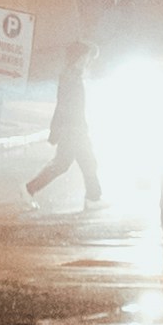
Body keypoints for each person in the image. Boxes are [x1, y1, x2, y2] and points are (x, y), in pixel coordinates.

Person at [24, 39, 103, 207]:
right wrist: (57, 130)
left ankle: (93, 197)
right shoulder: (70, 78)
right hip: (73, 129)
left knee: (78, 163)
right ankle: (30, 189)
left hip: (75, 128)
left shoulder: (73, 76)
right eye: (86, 57)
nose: (87, 61)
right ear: (78, 57)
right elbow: (63, 106)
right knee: (72, 163)